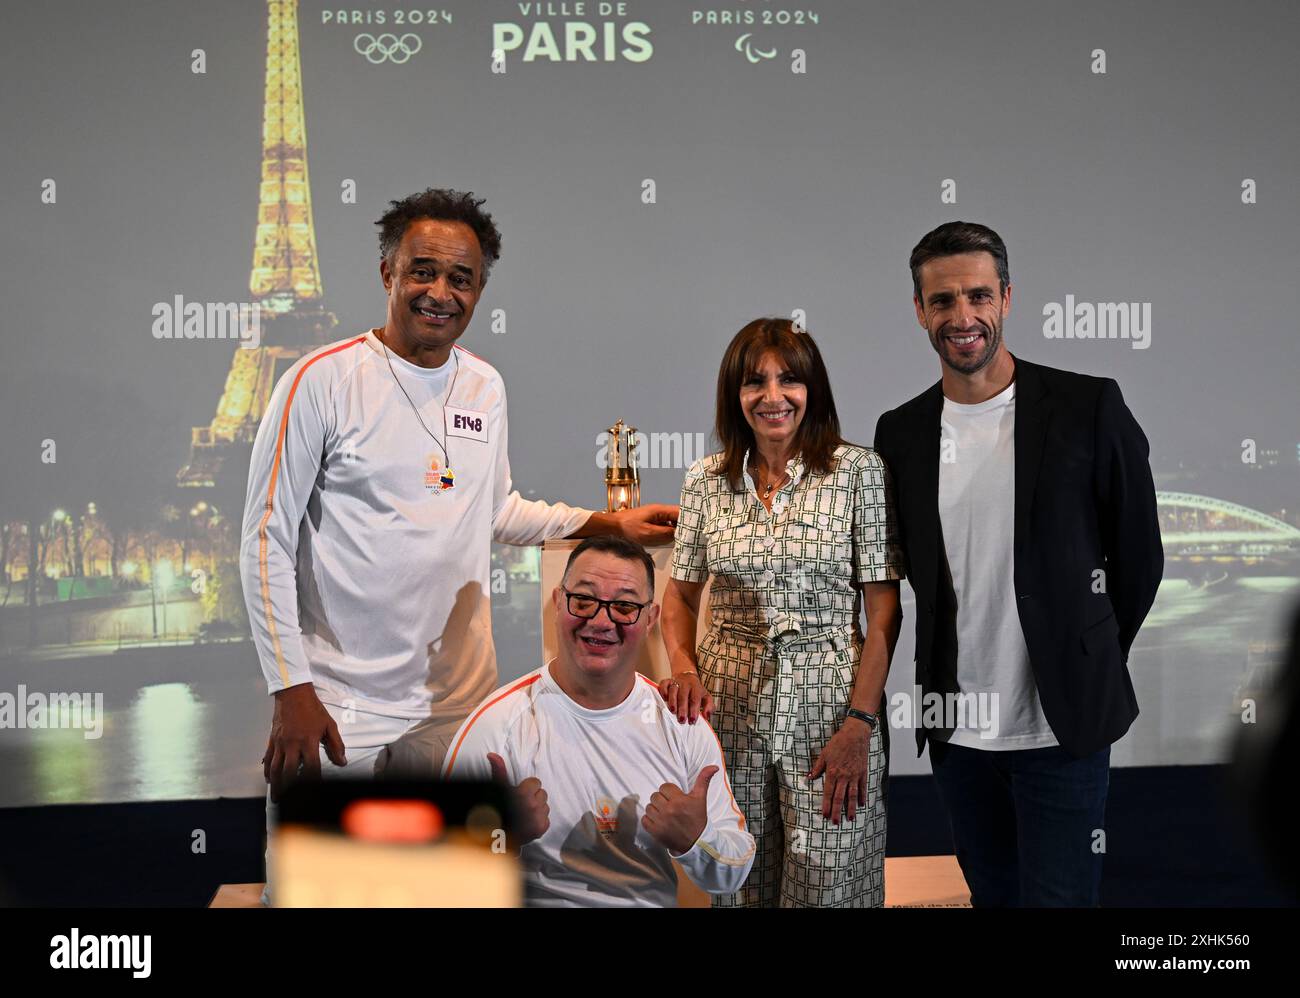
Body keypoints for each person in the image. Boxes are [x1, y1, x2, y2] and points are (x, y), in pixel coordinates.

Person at [240, 190, 677, 893]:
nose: (439, 292)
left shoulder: (485, 387)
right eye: (422, 271)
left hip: (456, 705)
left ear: (479, 291)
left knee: (444, 893)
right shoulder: (318, 383)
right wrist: (290, 689)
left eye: (461, 278)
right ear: (387, 273)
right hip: (337, 703)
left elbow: (494, 509)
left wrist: (605, 525)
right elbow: (264, 541)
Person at [873, 220, 1164, 907]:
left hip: (1060, 728)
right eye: (942, 301)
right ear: (919, 310)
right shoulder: (900, 432)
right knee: (991, 899)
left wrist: (1087, 654)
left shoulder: (1088, 406)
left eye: (979, 295)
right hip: (959, 732)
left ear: (1007, 298)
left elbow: (1138, 558)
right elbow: (908, 568)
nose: (962, 316)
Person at [660, 318, 905, 907]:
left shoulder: (858, 474)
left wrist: (860, 725)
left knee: (827, 885)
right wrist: (684, 668)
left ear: (812, 389)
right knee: (739, 880)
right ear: (734, 395)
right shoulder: (705, 481)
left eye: (789, 380)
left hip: (831, 714)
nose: (772, 397)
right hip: (730, 709)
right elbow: (679, 596)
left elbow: (884, 614)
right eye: (755, 383)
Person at [442, 535, 754, 907]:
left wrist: (695, 839)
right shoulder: (496, 726)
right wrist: (501, 838)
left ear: (651, 618)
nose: (602, 621)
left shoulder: (680, 723)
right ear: (559, 602)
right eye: (584, 600)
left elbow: (734, 872)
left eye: (623, 606)